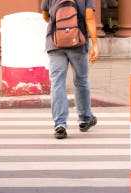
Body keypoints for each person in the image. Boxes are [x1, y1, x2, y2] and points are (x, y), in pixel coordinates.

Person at [41, 0, 99, 139]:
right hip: (77, 43)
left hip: (55, 43)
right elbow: (89, 18)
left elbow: (45, 15)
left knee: (57, 84)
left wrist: (59, 26)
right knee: (81, 81)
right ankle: (85, 119)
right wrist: (95, 44)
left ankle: (60, 124)